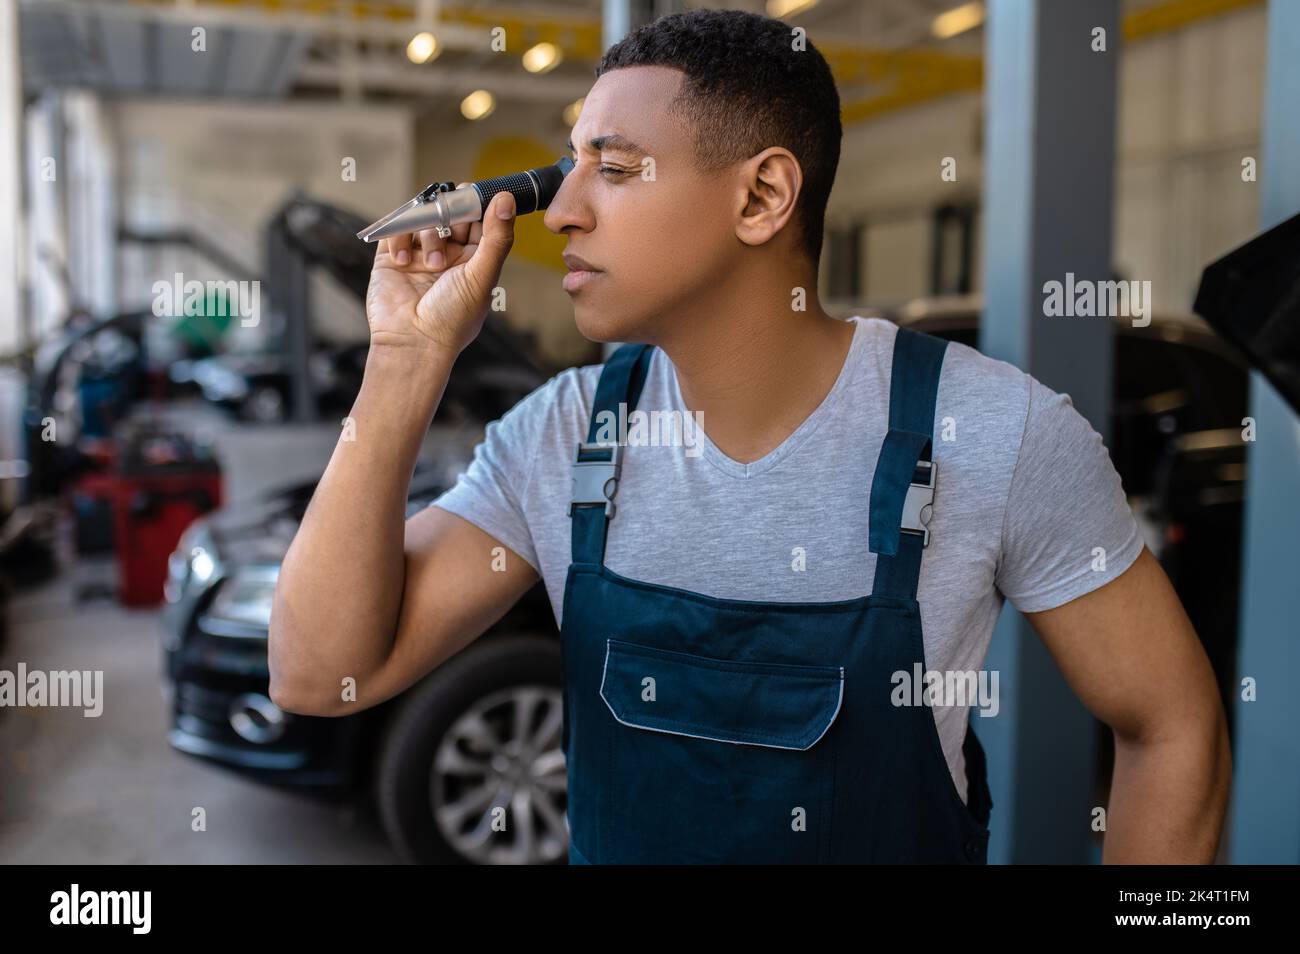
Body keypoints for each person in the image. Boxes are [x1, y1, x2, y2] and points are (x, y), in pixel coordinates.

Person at [269, 8, 1229, 864]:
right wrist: (404, 361)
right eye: (571, 170)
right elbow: (319, 674)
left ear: (763, 197)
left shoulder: (991, 430)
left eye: (611, 168)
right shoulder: (562, 435)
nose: (558, 213)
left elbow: (1171, 727)